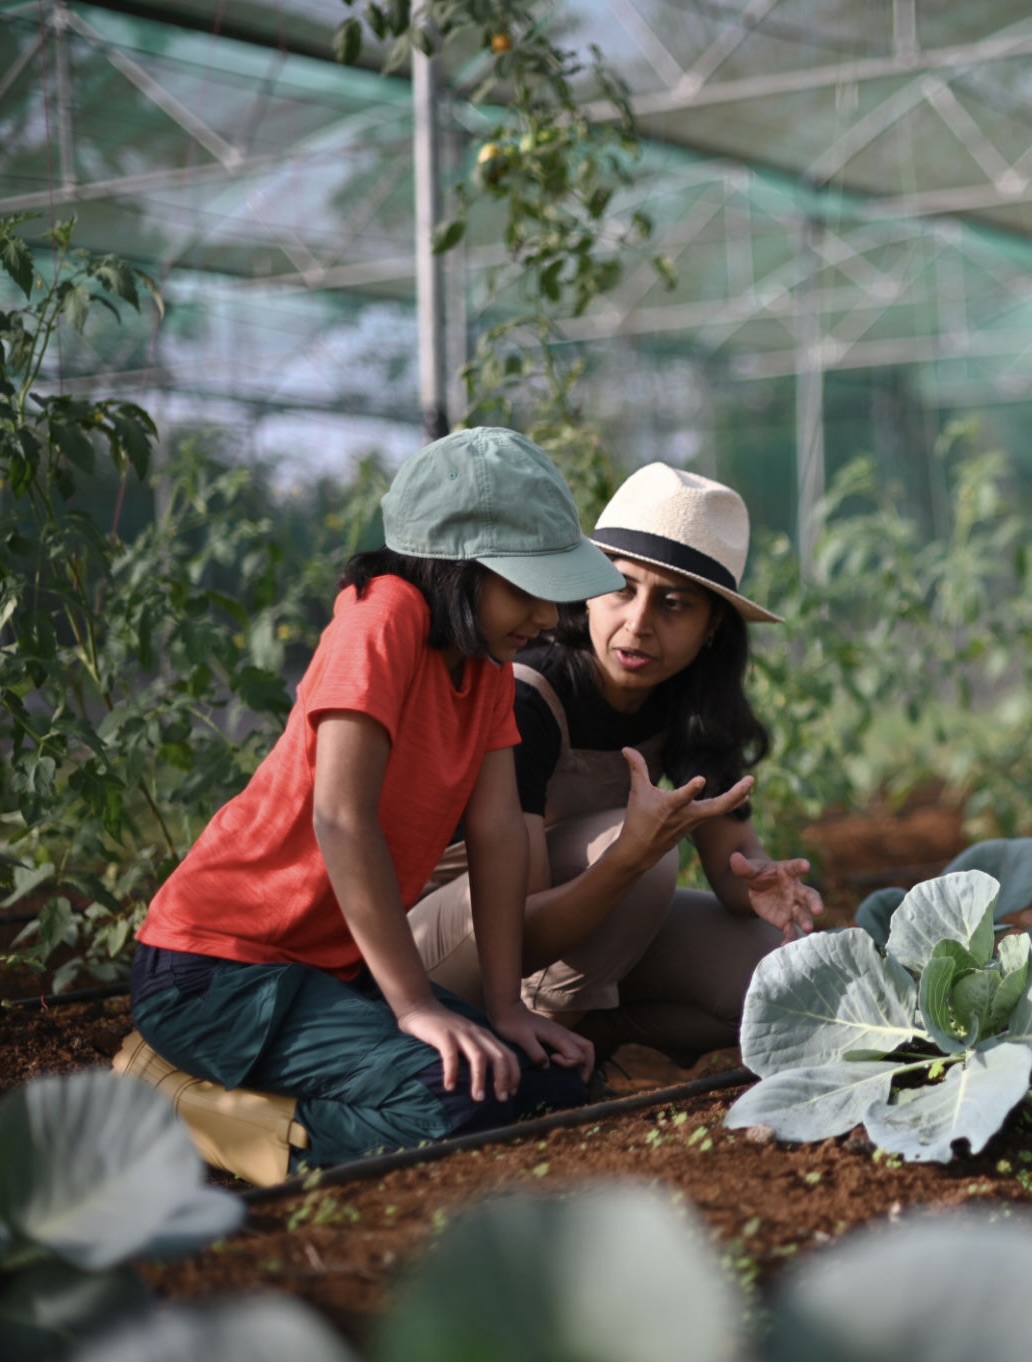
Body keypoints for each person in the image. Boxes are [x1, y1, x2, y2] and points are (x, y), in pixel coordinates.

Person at [126, 426, 626, 1172]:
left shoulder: (487, 662)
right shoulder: (380, 616)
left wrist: (507, 1007)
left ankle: (257, 1093)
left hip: (328, 968)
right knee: (457, 1108)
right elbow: (341, 816)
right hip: (217, 971)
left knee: (543, 1081)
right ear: (456, 569)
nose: (550, 618)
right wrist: (415, 1006)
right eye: (527, 590)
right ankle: (184, 1110)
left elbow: (496, 831)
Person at [409, 463, 824, 1069]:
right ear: (586, 588)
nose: (639, 623)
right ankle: (538, 1061)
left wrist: (760, 880)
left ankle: (595, 1032)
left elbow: (734, 859)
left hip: (581, 930)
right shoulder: (527, 693)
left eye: (674, 604)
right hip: (450, 945)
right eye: (622, 588)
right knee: (647, 860)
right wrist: (632, 856)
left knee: (772, 978)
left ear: (712, 627)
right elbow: (521, 930)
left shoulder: (688, 703)